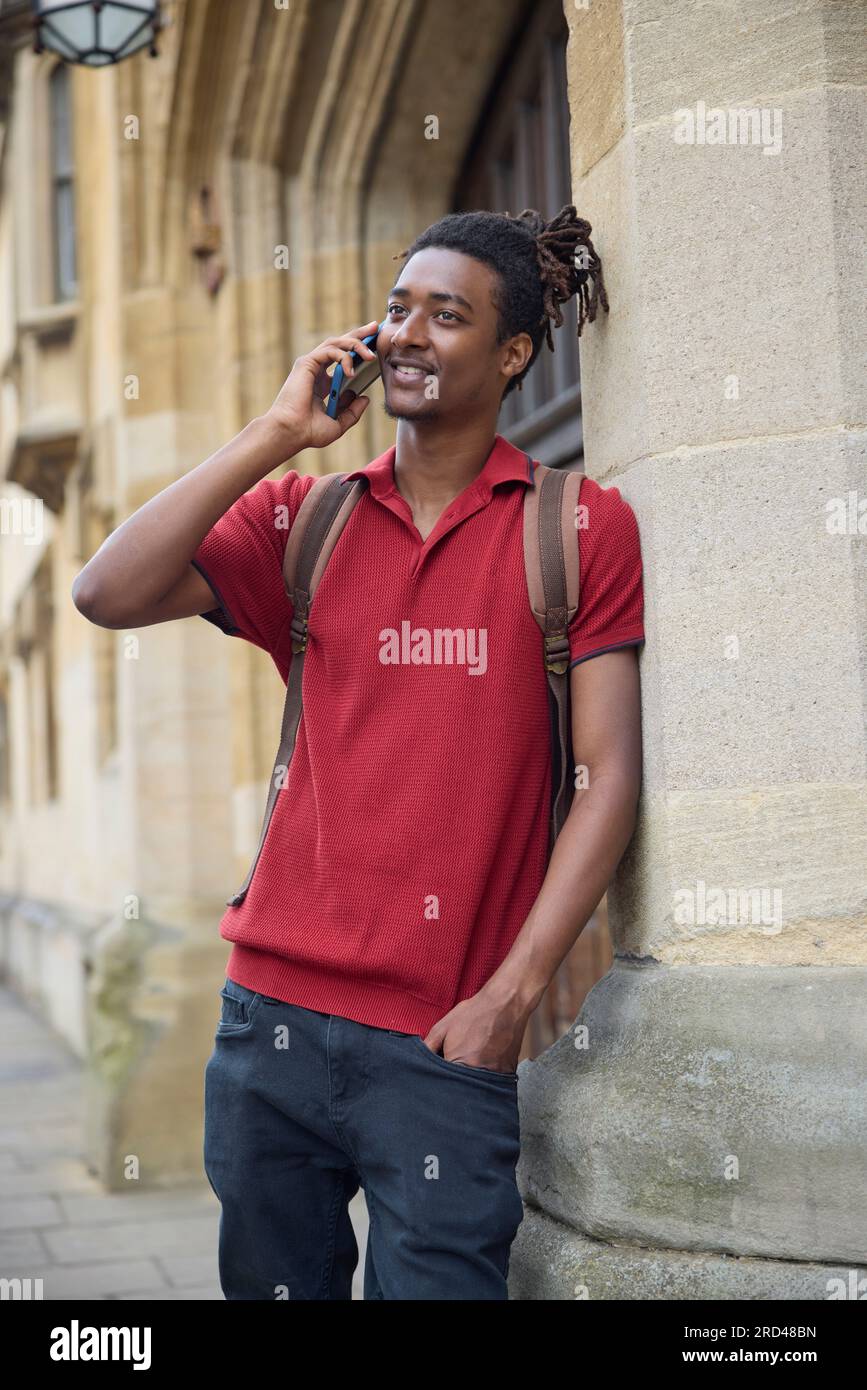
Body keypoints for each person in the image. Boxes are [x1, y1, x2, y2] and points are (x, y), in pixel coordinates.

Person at [72, 204, 644, 1301]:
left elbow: (606, 780)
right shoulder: (305, 516)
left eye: (447, 314)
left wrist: (511, 998)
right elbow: (106, 591)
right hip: (266, 1030)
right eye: (397, 309)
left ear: (514, 351)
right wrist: (277, 433)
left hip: (443, 1045)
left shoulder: (574, 528)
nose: (409, 335)